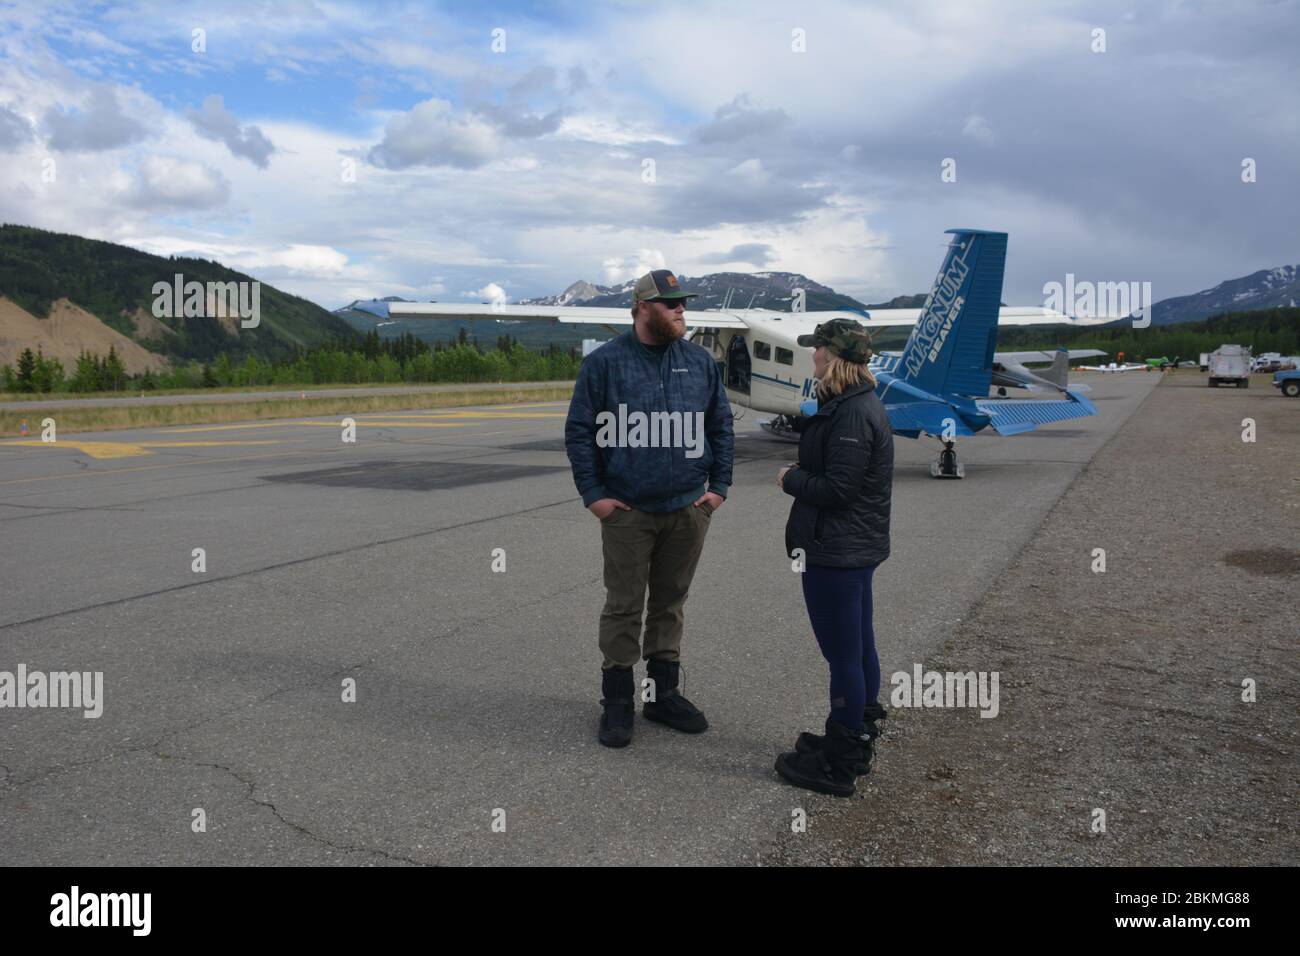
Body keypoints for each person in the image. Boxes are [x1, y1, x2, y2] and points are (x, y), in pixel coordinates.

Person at [565, 269, 734, 748]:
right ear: (642, 307)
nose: (681, 309)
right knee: (623, 607)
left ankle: (663, 696)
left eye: (683, 302)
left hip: (687, 508)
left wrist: (718, 487)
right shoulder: (605, 364)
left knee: (670, 603)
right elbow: (580, 432)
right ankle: (617, 702)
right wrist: (594, 496)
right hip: (628, 511)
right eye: (670, 303)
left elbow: (720, 426)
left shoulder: (699, 362)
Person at [774, 318, 893, 796]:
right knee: (858, 645)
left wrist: (790, 478)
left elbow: (840, 488)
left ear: (833, 356)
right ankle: (859, 730)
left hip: (836, 551)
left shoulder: (851, 414)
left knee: (842, 654)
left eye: (818, 348)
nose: (813, 356)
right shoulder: (856, 403)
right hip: (851, 548)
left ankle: (841, 760)